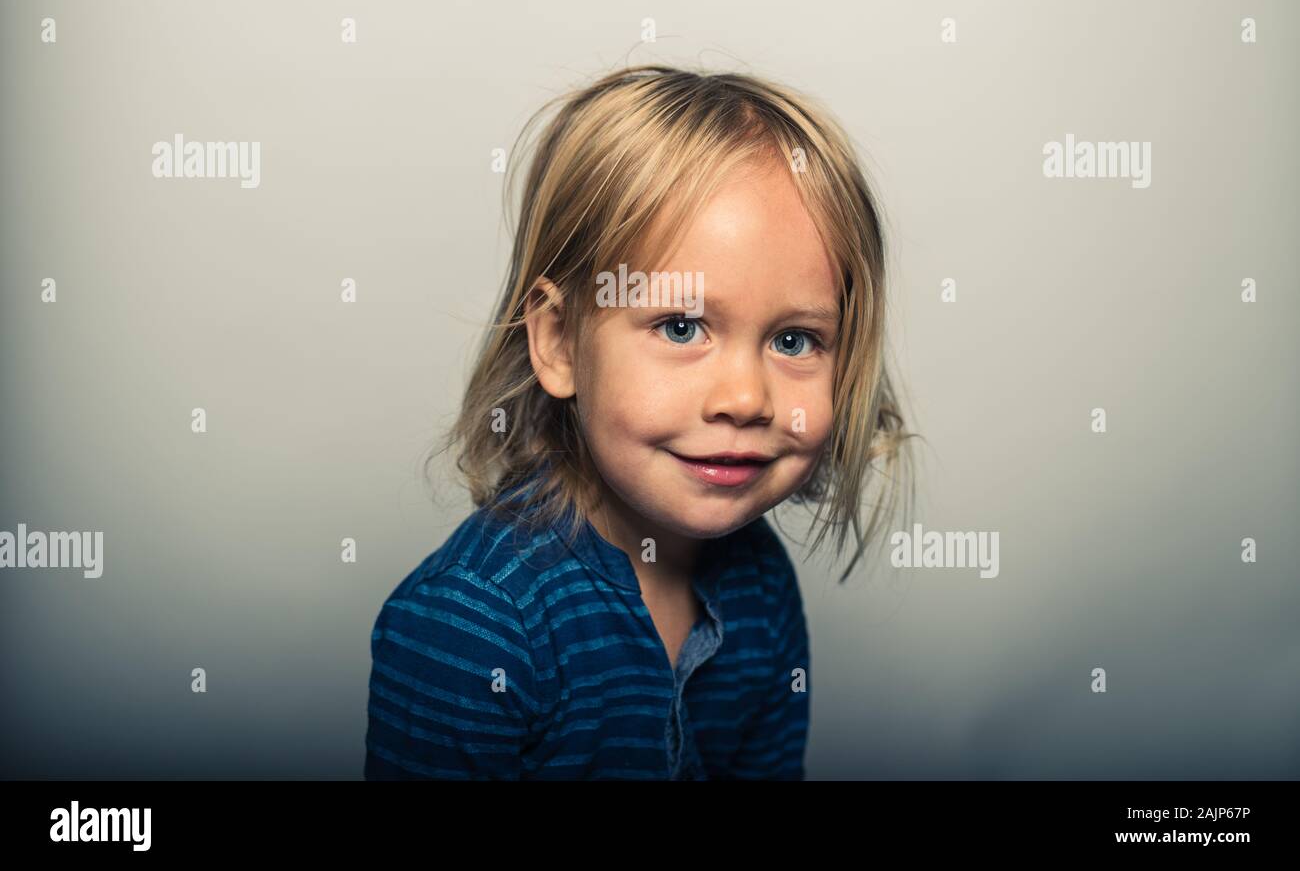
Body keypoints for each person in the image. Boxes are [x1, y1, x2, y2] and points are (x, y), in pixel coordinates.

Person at [364, 64, 917, 779]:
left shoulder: (760, 584)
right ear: (560, 342)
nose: (745, 398)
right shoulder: (475, 623)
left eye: (793, 340)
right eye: (682, 326)